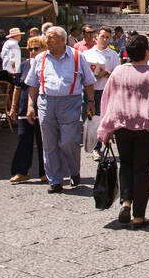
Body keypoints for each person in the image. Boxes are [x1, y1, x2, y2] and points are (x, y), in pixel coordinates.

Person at [96, 33, 149, 228]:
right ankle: (139, 216)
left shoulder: (117, 72)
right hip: (145, 128)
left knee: (126, 164)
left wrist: (106, 131)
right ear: (147, 52)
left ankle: (125, 202)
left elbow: (108, 102)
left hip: (122, 127)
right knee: (142, 170)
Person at [24, 26, 96, 193]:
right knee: (49, 143)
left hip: (70, 102)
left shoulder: (77, 57)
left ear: (63, 40)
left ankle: (73, 170)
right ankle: (55, 180)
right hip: (46, 102)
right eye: (46, 37)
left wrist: (91, 101)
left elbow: (88, 81)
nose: (46, 40)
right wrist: (30, 106)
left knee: (69, 140)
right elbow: (33, 85)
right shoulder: (40, 58)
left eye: (51, 37)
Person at [9, 37, 48, 184]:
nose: (33, 51)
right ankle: (21, 171)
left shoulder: (46, 64)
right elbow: (17, 88)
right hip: (24, 107)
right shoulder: (24, 65)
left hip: (42, 107)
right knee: (23, 139)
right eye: (30, 49)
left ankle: (46, 172)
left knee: (43, 141)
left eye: (36, 48)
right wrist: (13, 107)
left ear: (44, 49)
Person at [80, 25, 120, 121]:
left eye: (107, 37)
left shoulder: (113, 54)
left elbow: (117, 75)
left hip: (105, 90)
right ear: (97, 36)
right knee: (89, 119)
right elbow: (81, 74)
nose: (105, 39)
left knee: (104, 119)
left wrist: (106, 73)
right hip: (89, 91)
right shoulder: (86, 54)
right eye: (102, 36)